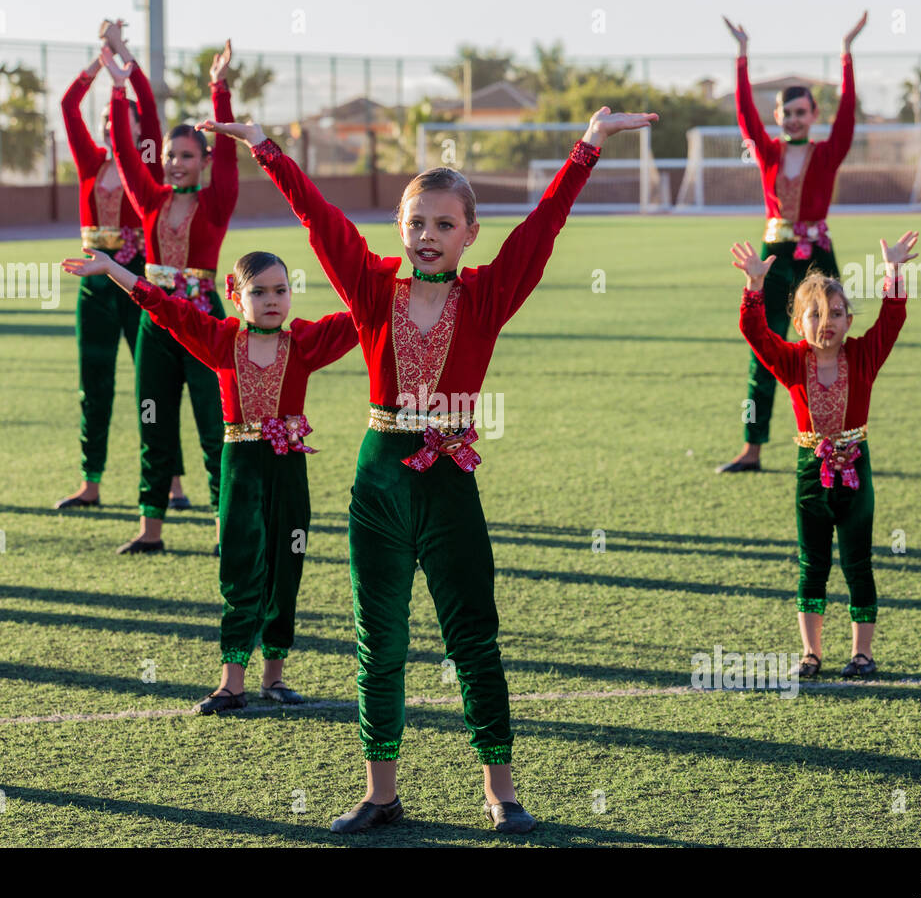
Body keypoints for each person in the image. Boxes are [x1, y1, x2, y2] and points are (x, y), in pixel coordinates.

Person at [200, 104, 658, 833]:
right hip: (379, 479)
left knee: (473, 635)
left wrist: (588, 147)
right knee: (376, 641)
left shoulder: (489, 295)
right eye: (417, 223)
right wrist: (265, 147)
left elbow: (541, 231)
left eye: (445, 225)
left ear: (471, 235)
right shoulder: (372, 287)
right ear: (401, 228)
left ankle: (500, 792)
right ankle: (381, 794)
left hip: (448, 481)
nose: (429, 237)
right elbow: (321, 220)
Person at [62, 247, 359, 710]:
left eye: (281, 290)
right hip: (240, 469)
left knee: (287, 567)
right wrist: (112, 270)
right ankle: (231, 682)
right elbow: (163, 307)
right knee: (240, 568)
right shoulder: (221, 342)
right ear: (234, 297)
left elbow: (366, 313)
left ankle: (274, 679)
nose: (272, 300)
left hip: (289, 468)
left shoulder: (303, 343)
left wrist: (414, 274)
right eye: (258, 292)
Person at [732, 231, 918, 678]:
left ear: (850, 320)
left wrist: (893, 270)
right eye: (814, 314)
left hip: (857, 468)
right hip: (810, 473)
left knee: (858, 562)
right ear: (799, 324)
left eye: (836, 313)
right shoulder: (794, 360)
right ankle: (811, 653)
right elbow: (754, 332)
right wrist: (755, 286)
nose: (826, 322)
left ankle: (862, 654)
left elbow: (892, 319)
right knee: (811, 563)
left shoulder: (864, 355)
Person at [716, 11, 867, 474]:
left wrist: (847, 53)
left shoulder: (828, 152)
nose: (796, 119)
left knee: (832, 348)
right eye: (788, 113)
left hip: (819, 255)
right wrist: (742, 56)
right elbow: (744, 113)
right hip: (774, 258)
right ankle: (752, 449)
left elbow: (846, 117)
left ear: (812, 115)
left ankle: (838, 445)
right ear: (778, 115)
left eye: (804, 112)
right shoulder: (767, 152)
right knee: (764, 348)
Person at [104, 40, 240, 554]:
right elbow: (122, 148)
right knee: (153, 422)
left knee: (214, 428)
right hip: (155, 323)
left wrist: (219, 89)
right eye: (170, 156)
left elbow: (229, 151)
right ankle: (150, 529)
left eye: (187, 156)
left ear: (203, 161)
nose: (176, 163)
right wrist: (119, 90)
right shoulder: (151, 199)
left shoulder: (219, 198)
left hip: (204, 323)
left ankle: (226, 528)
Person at [55, 20, 190, 512]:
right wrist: (98, 60)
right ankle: (91, 482)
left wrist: (122, 53)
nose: (116, 129)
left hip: (135, 283)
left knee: (154, 387)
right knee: (94, 383)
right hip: (93, 287)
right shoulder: (91, 164)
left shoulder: (149, 165)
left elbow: (148, 103)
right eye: (111, 123)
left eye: (125, 123)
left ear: (138, 131)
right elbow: (69, 106)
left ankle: (172, 480)